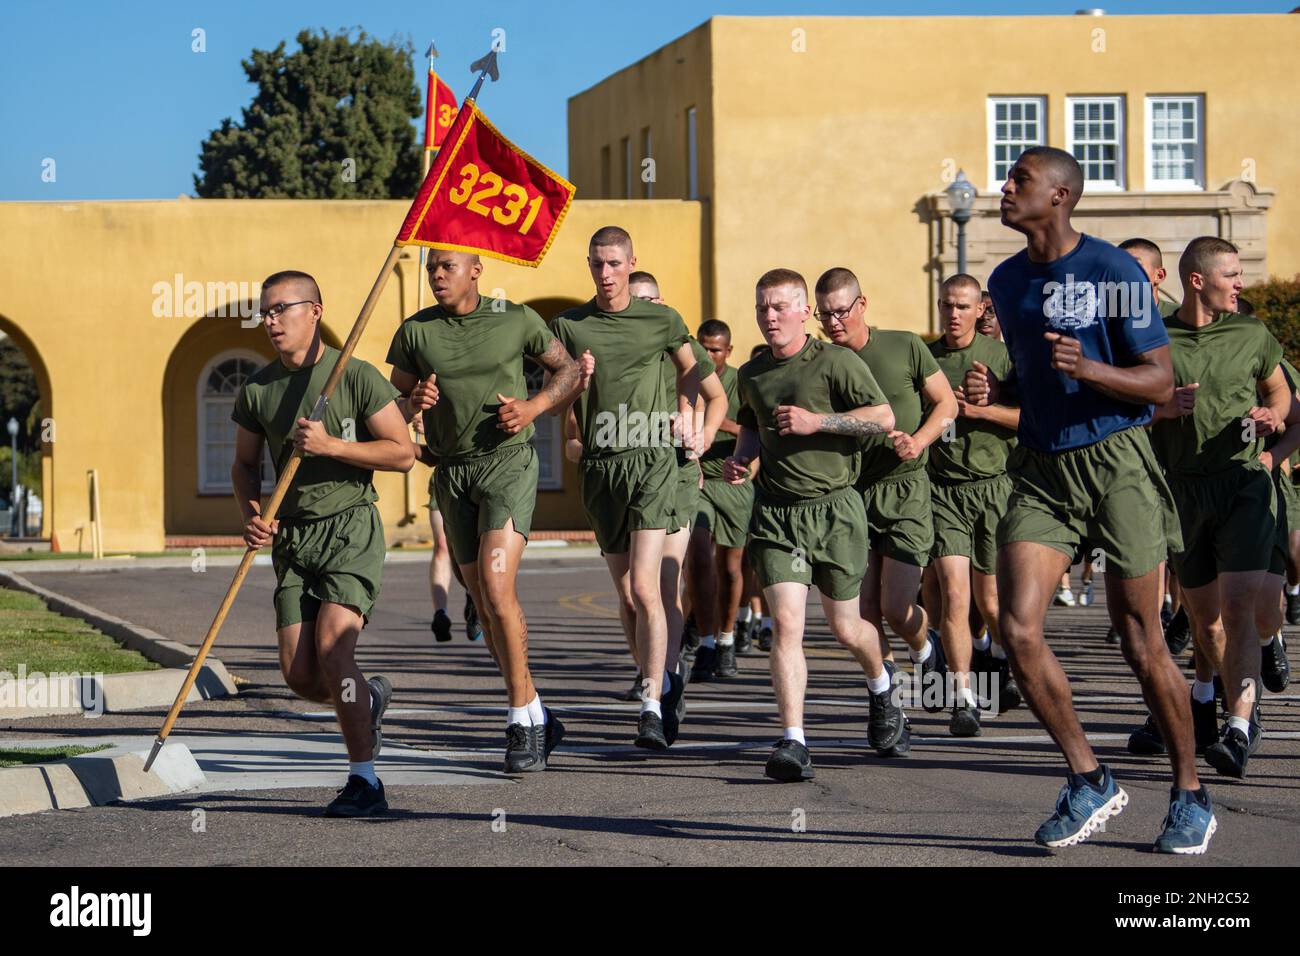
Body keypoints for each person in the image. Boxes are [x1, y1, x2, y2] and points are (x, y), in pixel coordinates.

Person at [965, 146, 1214, 854]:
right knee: (1016, 629)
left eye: (1021, 180)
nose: (1006, 188)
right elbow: (1033, 377)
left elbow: (1161, 384)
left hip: (1118, 464)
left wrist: (1094, 366)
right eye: (1008, 177)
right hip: (1043, 468)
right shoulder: (1007, 280)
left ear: (1062, 197)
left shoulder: (1113, 270)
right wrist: (999, 392)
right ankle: (1089, 777)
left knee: (1142, 642)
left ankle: (1190, 793)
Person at [388, 249, 580, 773]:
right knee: (486, 608)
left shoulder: (515, 318)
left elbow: (566, 373)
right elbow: (389, 408)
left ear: (476, 269)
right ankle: (541, 713)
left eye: (447, 266)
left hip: (507, 465)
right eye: (430, 268)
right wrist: (413, 404)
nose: (437, 276)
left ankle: (519, 723)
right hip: (451, 473)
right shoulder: (415, 332)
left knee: (497, 592)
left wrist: (536, 407)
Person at [232, 269, 415, 817]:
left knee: (336, 647)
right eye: (264, 311)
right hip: (293, 540)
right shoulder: (259, 388)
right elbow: (243, 465)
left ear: (313, 310)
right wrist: (252, 514)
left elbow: (401, 453)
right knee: (302, 675)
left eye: (280, 309)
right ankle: (370, 697)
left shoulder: (353, 376)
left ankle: (365, 781)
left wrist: (333, 445)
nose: (269, 321)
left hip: (349, 529)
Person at [551, 226, 726, 749]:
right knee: (628, 596)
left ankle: (651, 702)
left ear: (631, 263)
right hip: (602, 468)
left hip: (653, 461)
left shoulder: (662, 321)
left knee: (649, 587)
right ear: (589, 266)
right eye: (596, 264)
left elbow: (708, 387)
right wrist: (574, 384)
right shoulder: (569, 325)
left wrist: (696, 428)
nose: (605, 274)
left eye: (614, 263)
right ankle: (665, 679)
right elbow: (555, 409)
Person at [725, 268, 901, 781]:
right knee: (788, 627)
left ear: (805, 310)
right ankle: (793, 741)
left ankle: (881, 684)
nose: (770, 317)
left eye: (780, 307)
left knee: (847, 628)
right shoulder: (751, 374)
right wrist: (743, 461)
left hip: (835, 511)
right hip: (778, 515)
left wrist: (817, 421)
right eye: (762, 308)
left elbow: (884, 419)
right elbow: (753, 430)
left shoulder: (836, 361)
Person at [813, 267, 957, 748]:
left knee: (897, 606)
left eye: (842, 311)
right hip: (851, 495)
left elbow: (947, 405)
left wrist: (917, 441)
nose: (834, 322)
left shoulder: (904, 346)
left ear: (862, 304)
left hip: (904, 489)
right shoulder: (821, 362)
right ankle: (892, 708)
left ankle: (925, 646)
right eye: (824, 314)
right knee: (866, 610)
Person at [926, 273, 1022, 734]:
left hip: (995, 487)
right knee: (955, 595)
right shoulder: (925, 358)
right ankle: (963, 697)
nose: (954, 314)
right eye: (947, 305)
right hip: (944, 490)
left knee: (990, 599)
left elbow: (1030, 419)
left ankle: (1007, 662)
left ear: (980, 310)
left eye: (963, 306)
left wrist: (980, 409)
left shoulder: (1002, 357)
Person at [688, 319, 757, 681]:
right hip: (696, 482)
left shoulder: (739, 382)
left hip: (733, 482)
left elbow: (754, 430)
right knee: (699, 558)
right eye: (703, 346)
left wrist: (722, 425)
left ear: (728, 351)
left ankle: (728, 638)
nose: (709, 353)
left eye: (715, 348)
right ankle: (706, 641)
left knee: (731, 569)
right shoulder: (686, 377)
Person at [412, 416, 482, 643]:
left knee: (474, 548)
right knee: (442, 545)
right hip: (444, 478)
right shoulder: (432, 388)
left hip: (478, 477)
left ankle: (474, 597)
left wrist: (433, 429)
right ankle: (440, 614)